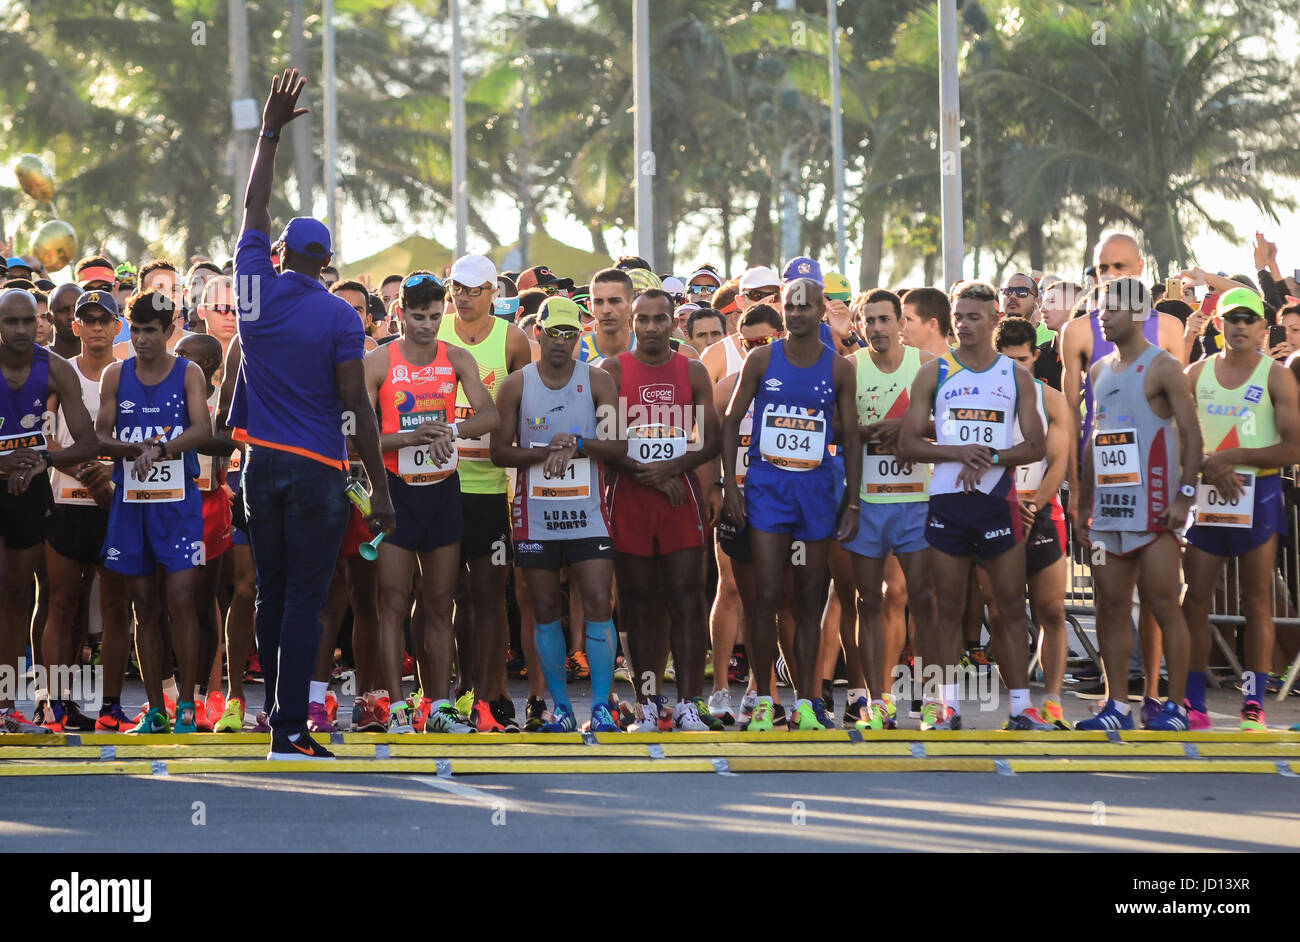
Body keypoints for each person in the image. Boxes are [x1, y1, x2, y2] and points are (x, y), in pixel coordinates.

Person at [232, 68, 394, 760]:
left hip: (259, 468)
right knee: (306, 598)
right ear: (328, 262)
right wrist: (380, 489)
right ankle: (292, 730)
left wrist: (268, 132)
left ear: (279, 254)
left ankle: (279, 724)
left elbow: (253, 208)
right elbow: (356, 402)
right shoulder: (336, 314)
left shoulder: (251, 294)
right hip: (318, 470)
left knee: (271, 595)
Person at [896, 280, 1047, 730]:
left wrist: (991, 458)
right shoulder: (935, 372)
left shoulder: (1015, 375)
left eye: (973, 316)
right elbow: (907, 442)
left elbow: (1036, 444)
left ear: (995, 320)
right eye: (958, 316)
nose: (963, 324)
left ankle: (1021, 706)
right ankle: (948, 707)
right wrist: (957, 452)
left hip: (997, 501)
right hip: (947, 501)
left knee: (1007, 606)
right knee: (946, 606)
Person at [722, 278, 861, 731]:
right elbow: (729, 423)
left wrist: (853, 503)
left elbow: (853, 438)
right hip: (767, 490)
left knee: (809, 599)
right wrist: (732, 489)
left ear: (822, 310)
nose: (797, 313)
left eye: (806, 306)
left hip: (816, 492)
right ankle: (764, 699)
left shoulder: (839, 368)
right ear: (782, 311)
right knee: (763, 596)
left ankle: (807, 701)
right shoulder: (763, 359)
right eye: (790, 306)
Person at [364, 271, 497, 734]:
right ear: (399, 312)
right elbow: (354, 439)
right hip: (395, 493)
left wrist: (451, 432)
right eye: (417, 316)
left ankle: (438, 705)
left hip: (442, 490)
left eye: (435, 316)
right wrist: (408, 437)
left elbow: (491, 415)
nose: (426, 326)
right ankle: (399, 709)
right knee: (395, 602)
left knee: (441, 603)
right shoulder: (378, 363)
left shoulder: (456, 358)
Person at [493, 297, 625, 733]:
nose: (562, 342)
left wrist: (579, 444)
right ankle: (563, 709)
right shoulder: (515, 385)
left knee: (598, 602)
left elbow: (619, 445)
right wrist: (543, 452)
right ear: (539, 332)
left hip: (588, 512)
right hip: (536, 515)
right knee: (546, 608)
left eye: (571, 334)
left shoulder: (599, 381)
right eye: (555, 333)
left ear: (579, 336)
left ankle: (603, 707)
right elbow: (498, 451)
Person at [1075, 278, 1201, 732]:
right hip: (1109, 512)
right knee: (1109, 605)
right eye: (1098, 311)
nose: (1101, 318)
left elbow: (1193, 437)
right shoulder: (1099, 370)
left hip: (1155, 510)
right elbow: (1095, 439)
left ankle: (1176, 706)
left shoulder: (1164, 366)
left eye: (1109, 310)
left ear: (1137, 312)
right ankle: (1117, 706)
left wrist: (1183, 499)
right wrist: (1082, 506)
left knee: (1165, 604)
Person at [1182, 287, 1300, 731]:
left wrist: (1229, 459)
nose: (1241, 327)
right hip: (1209, 498)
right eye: (1233, 319)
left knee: (1257, 602)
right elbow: (1179, 440)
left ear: (1263, 329)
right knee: (1193, 599)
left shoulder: (1276, 376)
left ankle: (1253, 703)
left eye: (1250, 320)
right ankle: (1194, 703)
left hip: (1260, 496)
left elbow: (1293, 447)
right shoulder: (1196, 373)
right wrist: (1209, 466)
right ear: (1219, 325)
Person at [604, 288, 722, 731]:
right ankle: (648, 701)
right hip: (631, 496)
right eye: (643, 319)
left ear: (674, 323)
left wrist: (674, 469)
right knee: (638, 604)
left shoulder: (691, 371)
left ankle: (690, 702)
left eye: (660, 319)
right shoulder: (613, 371)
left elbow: (711, 439)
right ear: (631, 323)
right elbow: (606, 441)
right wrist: (646, 472)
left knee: (687, 599)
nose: (651, 327)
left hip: (679, 496)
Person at [96, 291, 213, 734]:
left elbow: (202, 428)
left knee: (182, 601)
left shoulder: (189, 372)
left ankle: (187, 706)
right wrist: (133, 449)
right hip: (131, 506)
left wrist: (161, 448)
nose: (142, 340)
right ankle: (156, 709)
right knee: (144, 608)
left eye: (151, 331)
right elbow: (100, 435)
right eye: (137, 330)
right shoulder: (116, 374)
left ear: (170, 331)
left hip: (178, 506)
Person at [437, 252, 532, 732]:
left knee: (489, 595)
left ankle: (491, 694)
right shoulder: (436, 334)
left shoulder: (512, 339)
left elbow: (517, 416)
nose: (465, 297)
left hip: (490, 487)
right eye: (458, 287)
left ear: (495, 292)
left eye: (476, 289)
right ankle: (454, 691)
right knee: (443, 594)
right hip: (437, 484)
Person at [0, 289, 102, 734]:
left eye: (28, 321)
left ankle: (4, 707)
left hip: (30, 489)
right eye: (11, 322)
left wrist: (45, 460)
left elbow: (88, 442)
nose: (22, 330)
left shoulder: (54, 368)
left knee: (19, 597)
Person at [36, 291, 134, 733]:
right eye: (87, 319)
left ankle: (110, 706)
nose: (96, 326)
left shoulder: (129, 374)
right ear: (73, 327)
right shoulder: (61, 372)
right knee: (61, 602)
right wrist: (82, 469)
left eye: (104, 319)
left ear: (118, 326)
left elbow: (140, 436)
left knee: (116, 608)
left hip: (116, 505)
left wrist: (108, 475)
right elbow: (45, 438)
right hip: (66, 501)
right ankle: (55, 704)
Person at [840, 289, 936, 730]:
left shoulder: (926, 366)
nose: (878, 327)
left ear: (901, 322)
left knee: (924, 601)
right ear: (860, 325)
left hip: (918, 500)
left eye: (885, 319)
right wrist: (866, 432)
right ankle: (880, 701)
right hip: (868, 502)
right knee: (868, 602)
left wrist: (905, 427)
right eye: (870, 320)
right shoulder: (850, 369)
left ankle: (935, 700)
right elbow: (839, 431)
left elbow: (947, 424)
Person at [994, 314, 1074, 728]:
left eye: (1023, 361)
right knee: (1005, 612)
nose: (1016, 369)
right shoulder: (988, 398)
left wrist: (1033, 507)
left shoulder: (1052, 399)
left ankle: (1054, 701)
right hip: (995, 513)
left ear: (1036, 357)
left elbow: (1059, 462)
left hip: (1042, 514)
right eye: (1008, 361)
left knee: (1052, 610)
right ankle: (1019, 705)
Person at [899, 287, 953, 358]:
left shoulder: (966, 366)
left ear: (932, 324)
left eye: (907, 319)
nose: (899, 327)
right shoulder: (896, 366)